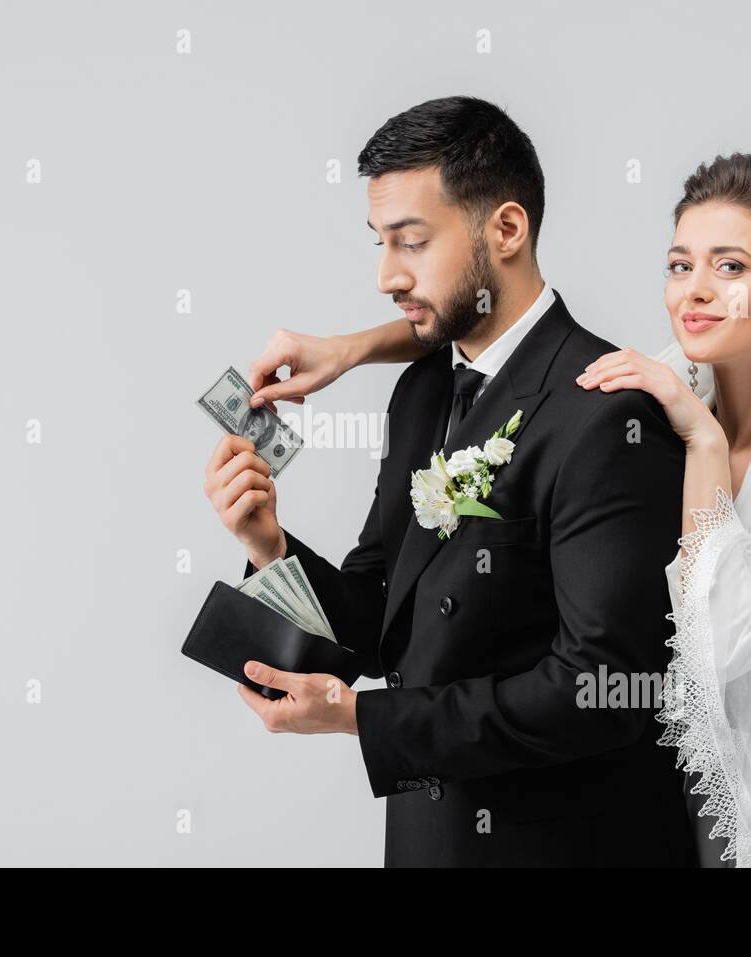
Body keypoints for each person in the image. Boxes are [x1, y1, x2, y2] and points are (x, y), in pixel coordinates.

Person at [242, 150, 751, 867]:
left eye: (730, 267)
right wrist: (350, 349)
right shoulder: (667, 374)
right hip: (671, 800)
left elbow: (721, 645)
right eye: (679, 264)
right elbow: (510, 338)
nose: (693, 290)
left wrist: (705, 446)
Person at [204, 96, 696, 866]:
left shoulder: (606, 413)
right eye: (379, 243)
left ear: (506, 228)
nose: (384, 276)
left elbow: (605, 690)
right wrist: (267, 546)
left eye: (411, 242)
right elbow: (378, 616)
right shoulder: (425, 388)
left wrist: (368, 720)